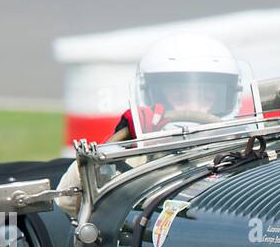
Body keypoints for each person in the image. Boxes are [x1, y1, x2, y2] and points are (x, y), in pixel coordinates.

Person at [58, 33, 244, 215]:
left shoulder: (243, 149)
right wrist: (114, 147)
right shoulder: (135, 157)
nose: (192, 106)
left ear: (226, 96)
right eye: (179, 93)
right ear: (153, 93)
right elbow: (67, 199)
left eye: (206, 94)